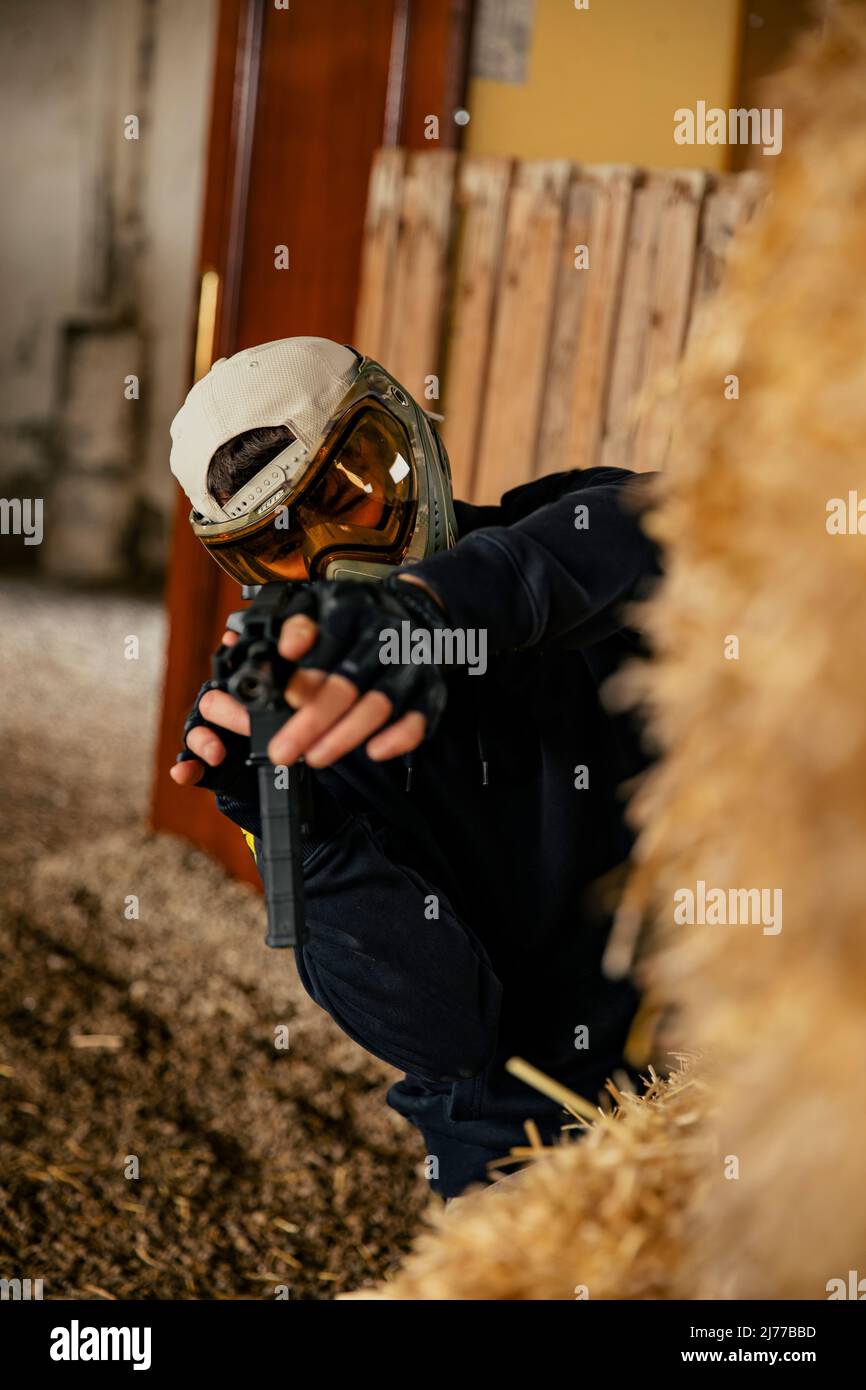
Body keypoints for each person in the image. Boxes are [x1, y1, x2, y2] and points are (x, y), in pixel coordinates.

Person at [168, 336, 661, 1198]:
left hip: (733, 1048)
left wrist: (435, 612)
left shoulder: (556, 533)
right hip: (536, 1143)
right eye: (280, 545)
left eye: (346, 496)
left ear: (411, 430)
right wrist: (301, 836)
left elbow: (685, 530)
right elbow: (446, 1037)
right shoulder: (301, 736)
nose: (334, 559)